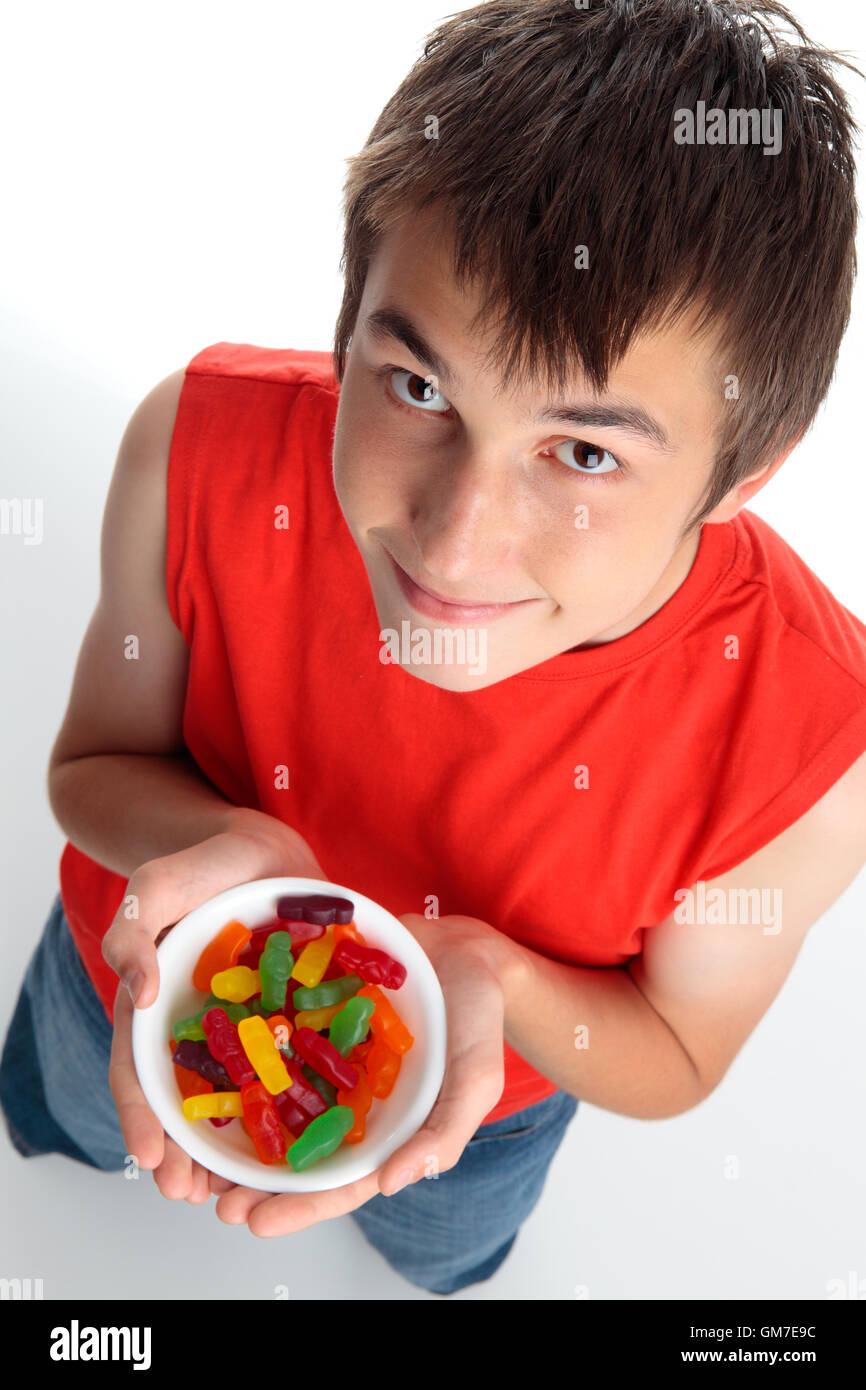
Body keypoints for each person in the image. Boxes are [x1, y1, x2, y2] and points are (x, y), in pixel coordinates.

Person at [3, 0, 866, 1297]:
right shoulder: (191, 443)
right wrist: (222, 846)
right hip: (121, 965)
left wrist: (491, 971)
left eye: (583, 453)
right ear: (347, 321)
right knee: (64, 1109)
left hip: (486, 1103)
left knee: (436, 1244)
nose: (454, 544)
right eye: (416, 387)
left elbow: (676, 1053)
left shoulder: (813, 736)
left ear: (745, 471)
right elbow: (94, 766)